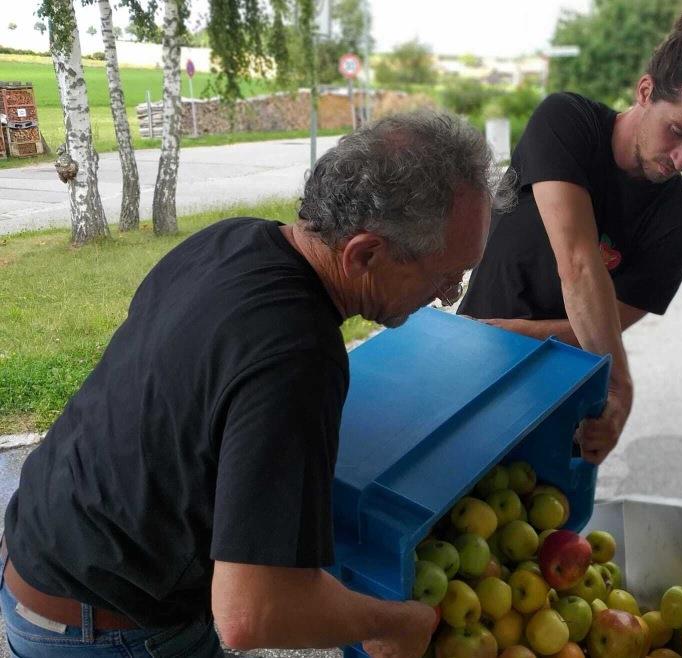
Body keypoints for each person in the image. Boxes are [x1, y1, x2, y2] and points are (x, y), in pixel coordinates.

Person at [1, 111, 510, 657]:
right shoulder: (298, 352)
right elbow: (256, 612)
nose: (449, 296)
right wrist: (396, 623)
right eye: (446, 276)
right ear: (364, 253)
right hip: (109, 626)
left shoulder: (232, 239)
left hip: (38, 550)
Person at [457, 8, 682, 466]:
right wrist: (621, 385)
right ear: (646, 91)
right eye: (677, 131)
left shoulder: (680, 225)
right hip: (468, 360)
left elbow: (606, 327)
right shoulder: (566, 122)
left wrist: (513, 337)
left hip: (562, 403)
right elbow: (578, 263)